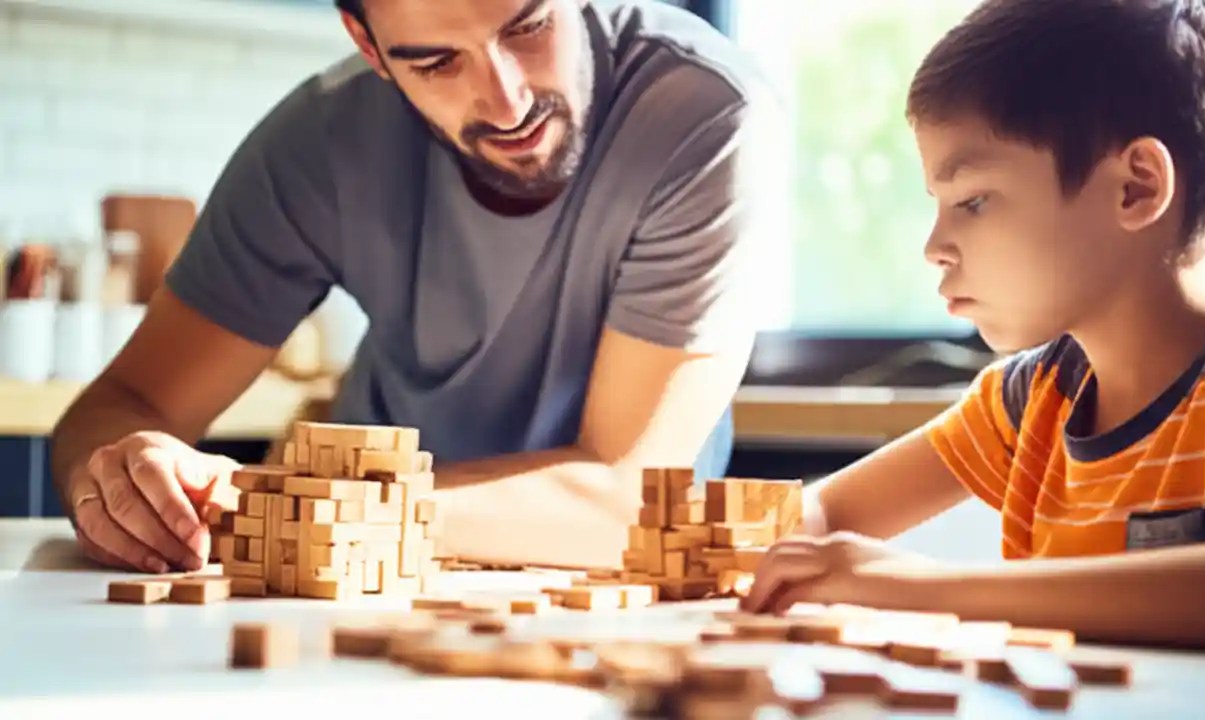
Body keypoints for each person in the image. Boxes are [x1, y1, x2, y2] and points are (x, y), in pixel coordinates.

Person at [50, 0, 777, 575]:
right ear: (370, 51)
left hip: (612, 585)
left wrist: (285, 506)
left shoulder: (703, 116)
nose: (507, 100)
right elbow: (116, 410)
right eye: (436, 62)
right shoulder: (319, 144)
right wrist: (120, 481)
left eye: (528, 25)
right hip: (352, 581)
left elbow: (626, 496)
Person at [742, 0, 1205, 653]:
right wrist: (714, 545)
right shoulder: (1029, 401)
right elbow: (826, 514)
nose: (934, 245)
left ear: (1134, 189)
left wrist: (921, 590)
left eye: (972, 201)